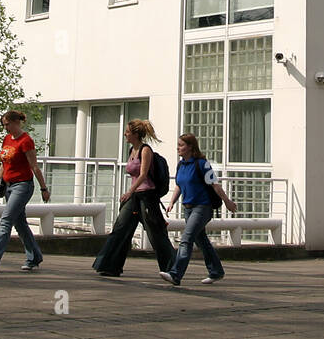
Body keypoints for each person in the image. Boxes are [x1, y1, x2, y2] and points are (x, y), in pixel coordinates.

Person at [92, 120, 175, 277]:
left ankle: (172, 268)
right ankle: (110, 265)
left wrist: (129, 191)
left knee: (155, 233)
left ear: (136, 134)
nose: (125, 134)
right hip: (134, 196)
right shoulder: (132, 150)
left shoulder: (145, 150)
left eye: (128, 132)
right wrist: (131, 193)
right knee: (120, 228)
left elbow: (143, 174)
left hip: (147, 196)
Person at [159, 133, 237, 287]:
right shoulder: (181, 165)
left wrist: (227, 201)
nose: (178, 148)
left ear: (190, 146)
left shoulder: (201, 164)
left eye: (181, 145)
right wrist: (172, 202)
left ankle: (176, 274)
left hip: (202, 207)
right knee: (201, 241)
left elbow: (215, 184)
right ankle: (216, 271)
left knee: (186, 239)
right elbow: (179, 186)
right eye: (178, 145)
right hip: (188, 208)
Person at [0, 109, 50, 273]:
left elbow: (34, 166)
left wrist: (44, 188)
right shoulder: (7, 139)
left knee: (6, 221)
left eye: (7, 124)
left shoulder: (26, 141)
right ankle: (34, 257)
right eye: (4, 125)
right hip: (9, 186)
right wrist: (0, 183)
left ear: (16, 122)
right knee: (20, 224)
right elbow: (4, 163)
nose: (6, 128)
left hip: (22, 186)